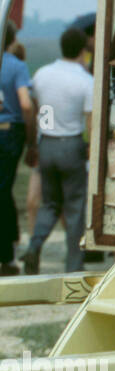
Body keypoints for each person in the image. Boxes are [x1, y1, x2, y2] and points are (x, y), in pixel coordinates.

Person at [22, 27, 93, 274]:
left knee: (49, 204)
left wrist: (39, 140)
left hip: (47, 143)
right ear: (83, 51)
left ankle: (34, 245)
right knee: (74, 208)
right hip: (71, 144)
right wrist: (90, 148)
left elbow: (39, 107)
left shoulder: (42, 74)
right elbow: (90, 121)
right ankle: (74, 267)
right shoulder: (85, 80)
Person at [0, 26, 37, 275]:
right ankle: (7, 256)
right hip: (9, 131)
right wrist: (31, 139)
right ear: (12, 40)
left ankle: (9, 246)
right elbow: (25, 103)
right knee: (3, 190)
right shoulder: (16, 65)